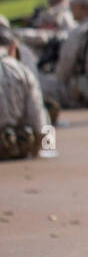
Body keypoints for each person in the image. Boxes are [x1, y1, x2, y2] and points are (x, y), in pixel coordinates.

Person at [0, 23, 51, 160]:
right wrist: (47, 146)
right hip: (15, 143)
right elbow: (38, 115)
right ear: (13, 47)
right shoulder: (23, 71)